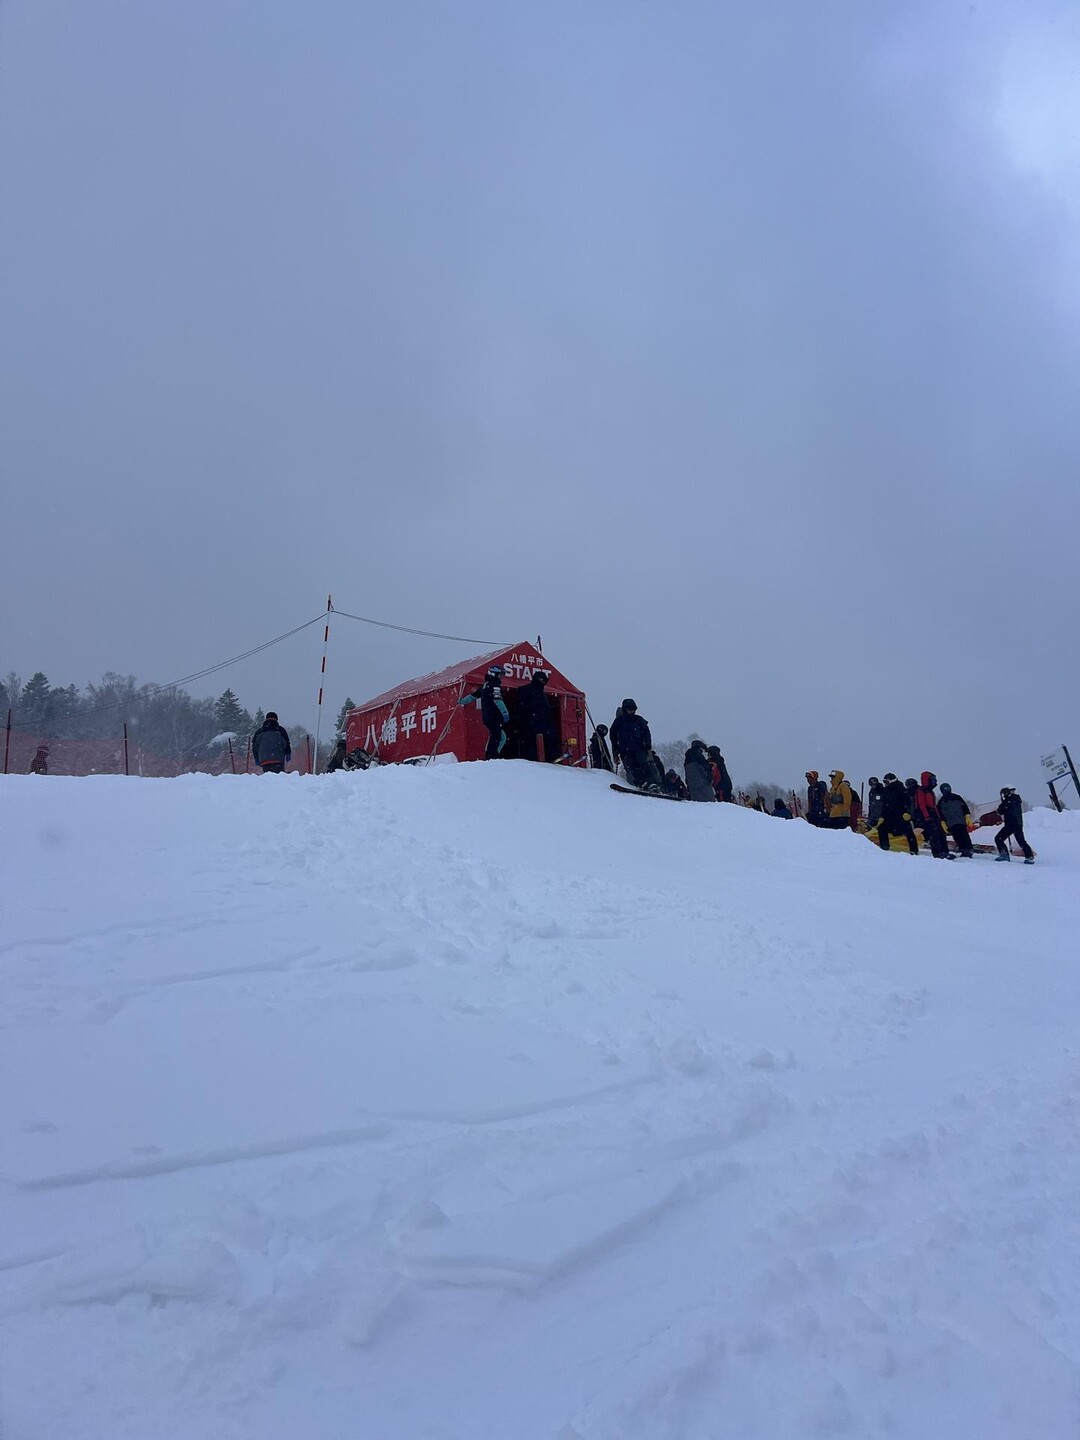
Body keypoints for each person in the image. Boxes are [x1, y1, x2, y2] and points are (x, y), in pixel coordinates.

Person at [461, 665, 511, 760]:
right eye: (500, 675)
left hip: (487, 717)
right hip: (493, 716)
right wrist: (505, 713)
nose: (501, 677)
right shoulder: (494, 685)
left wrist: (461, 701)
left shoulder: (485, 686)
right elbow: (498, 700)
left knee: (501, 736)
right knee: (496, 736)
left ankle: (493, 755)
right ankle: (491, 757)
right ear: (494, 674)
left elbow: (472, 696)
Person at [610, 699, 658, 790]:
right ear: (625, 709)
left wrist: (648, 744)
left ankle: (652, 784)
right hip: (625, 751)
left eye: (633, 709)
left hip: (639, 748)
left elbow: (646, 732)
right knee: (633, 768)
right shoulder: (619, 722)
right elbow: (613, 736)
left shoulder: (639, 720)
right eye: (629, 709)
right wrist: (616, 750)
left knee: (645, 765)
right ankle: (641, 783)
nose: (631, 711)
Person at [518, 670, 558, 761]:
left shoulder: (541, 693)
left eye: (545, 680)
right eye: (542, 680)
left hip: (539, 724)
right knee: (533, 744)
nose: (544, 682)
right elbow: (523, 707)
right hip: (532, 724)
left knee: (546, 740)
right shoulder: (529, 690)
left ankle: (547, 757)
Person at [876, 772, 918, 854]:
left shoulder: (901, 789)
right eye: (884, 782)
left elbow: (908, 802)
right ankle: (884, 848)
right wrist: (882, 816)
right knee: (881, 828)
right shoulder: (886, 791)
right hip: (889, 817)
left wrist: (908, 812)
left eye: (886, 782)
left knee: (908, 832)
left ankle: (914, 849)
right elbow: (884, 805)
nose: (885, 784)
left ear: (892, 781)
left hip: (901, 816)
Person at [914, 770, 952, 858]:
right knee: (934, 834)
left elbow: (934, 805)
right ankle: (938, 853)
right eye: (933, 780)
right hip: (926, 815)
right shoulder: (920, 791)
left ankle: (945, 851)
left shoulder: (930, 791)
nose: (934, 782)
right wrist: (927, 816)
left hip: (933, 813)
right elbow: (921, 804)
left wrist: (938, 817)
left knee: (941, 833)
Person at [995, 787, 1035, 863]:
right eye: (1003, 793)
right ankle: (1005, 855)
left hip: (1015, 824)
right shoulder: (1010, 800)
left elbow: (1001, 810)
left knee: (1020, 841)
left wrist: (1002, 806)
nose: (1004, 794)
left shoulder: (1013, 799)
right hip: (1012, 824)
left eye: (1005, 792)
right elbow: (1001, 810)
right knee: (999, 838)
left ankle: (1029, 857)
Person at [937, 783, 974, 857]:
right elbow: (940, 813)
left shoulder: (955, 797)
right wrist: (943, 821)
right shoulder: (942, 801)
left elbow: (964, 807)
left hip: (957, 821)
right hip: (953, 822)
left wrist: (967, 815)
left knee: (962, 835)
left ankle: (967, 849)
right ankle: (965, 849)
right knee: (960, 835)